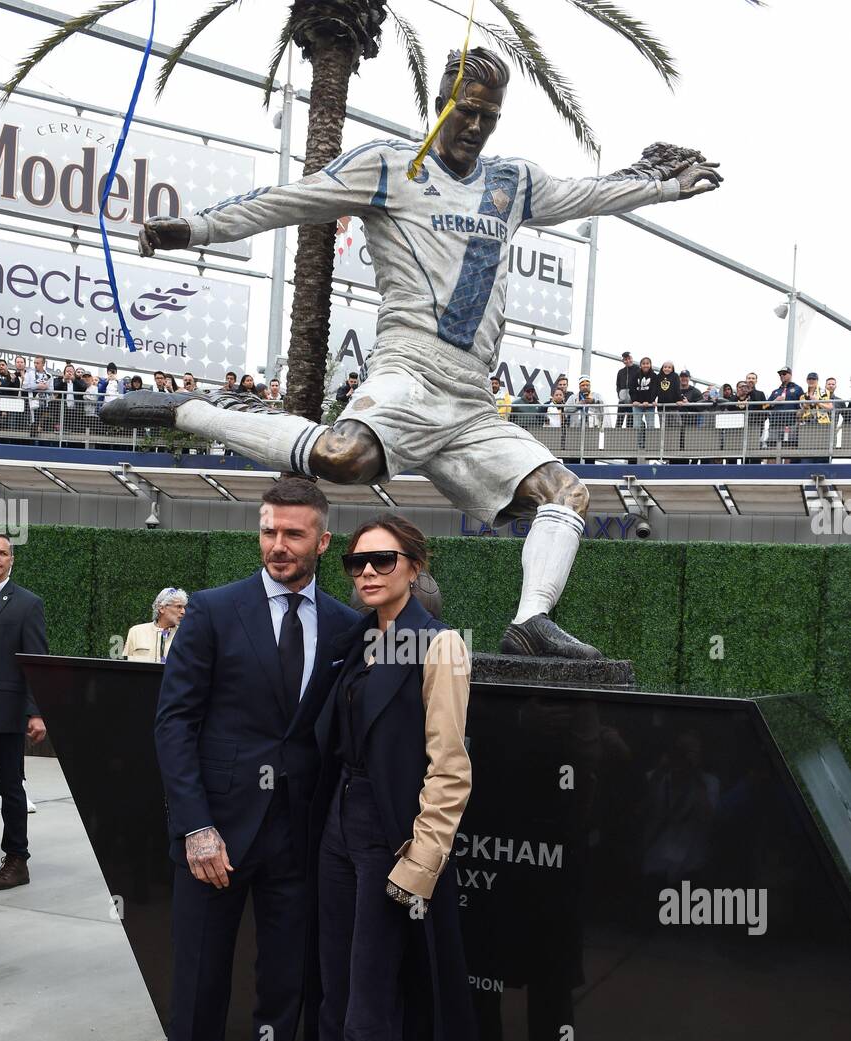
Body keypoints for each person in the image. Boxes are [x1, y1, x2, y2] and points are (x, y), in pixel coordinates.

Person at [108, 46, 721, 659]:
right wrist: (194, 229)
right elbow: (290, 199)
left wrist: (664, 183)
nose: (476, 126)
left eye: (489, 115)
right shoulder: (388, 167)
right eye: (466, 109)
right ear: (440, 104)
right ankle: (192, 409)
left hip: (473, 401)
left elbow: (591, 193)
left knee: (567, 493)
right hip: (409, 370)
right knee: (342, 458)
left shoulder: (513, 182)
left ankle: (530, 622)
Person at [139, 477, 359, 1041]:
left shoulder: (342, 625)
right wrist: (196, 825)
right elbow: (175, 722)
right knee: (197, 994)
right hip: (214, 842)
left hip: (298, 844)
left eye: (295, 534)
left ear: (322, 541)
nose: (279, 546)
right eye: (269, 531)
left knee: (282, 998)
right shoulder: (213, 609)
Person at [308, 516, 476, 1041]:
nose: (367, 572)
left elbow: (450, 769)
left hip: (388, 846)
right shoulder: (358, 639)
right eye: (356, 562)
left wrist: (420, 862)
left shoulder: (437, 644)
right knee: (337, 1015)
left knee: (367, 1026)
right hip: (337, 837)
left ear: (414, 564)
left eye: (383, 560)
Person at [0, 535, 48, 890]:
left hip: (5, 713)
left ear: (11, 560)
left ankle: (17, 861)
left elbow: (36, 662)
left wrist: (36, 712)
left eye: (3, 553)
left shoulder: (27, 604)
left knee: (11, 789)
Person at [123, 588, 188, 662]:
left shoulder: (186, 635)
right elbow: (125, 665)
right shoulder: (136, 632)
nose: (183, 612)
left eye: (184, 607)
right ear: (161, 608)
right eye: (178, 606)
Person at [564, 377, 604, 464]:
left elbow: (603, 407)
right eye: (583, 385)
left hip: (591, 428)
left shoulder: (596, 395)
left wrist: (593, 401)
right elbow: (566, 409)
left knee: (590, 455)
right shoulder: (573, 397)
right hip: (575, 429)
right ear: (579, 386)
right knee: (574, 456)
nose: (585, 387)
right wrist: (578, 405)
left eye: (587, 385)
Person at [765, 367, 803, 456]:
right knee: (772, 449)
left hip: (790, 424)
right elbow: (765, 406)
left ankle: (787, 469)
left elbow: (802, 405)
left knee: (788, 449)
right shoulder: (775, 391)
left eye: (784, 374)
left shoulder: (797, 389)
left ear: (790, 375)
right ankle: (772, 469)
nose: (782, 375)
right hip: (775, 424)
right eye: (780, 374)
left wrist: (799, 414)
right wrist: (775, 401)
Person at [631, 356, 660, 444]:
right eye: (643, 364)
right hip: (638, 405)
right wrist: (634, 400)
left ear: (650, 365)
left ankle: (650, 445)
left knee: (650, 426)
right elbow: (632, 389)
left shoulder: (654, 376)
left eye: (647, 363)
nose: (645, 365)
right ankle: (639, 445)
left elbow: (655, 390)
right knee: (637, 426)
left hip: (649, 405)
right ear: (640, 365)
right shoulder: (636, 375)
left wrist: (650, 401)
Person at [615, 350, 638, 429]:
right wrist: (619, 394)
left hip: (633, 400)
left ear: (632, 358)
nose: (628, 361)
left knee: (630, 422)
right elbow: (617, 385)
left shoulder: (638, 369)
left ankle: (629, 440)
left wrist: (636, 396)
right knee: (619, 421)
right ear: (623, 361)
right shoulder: (621, 372)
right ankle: (615, 438)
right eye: (625, 359)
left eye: (629, 358)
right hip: (622, 400)